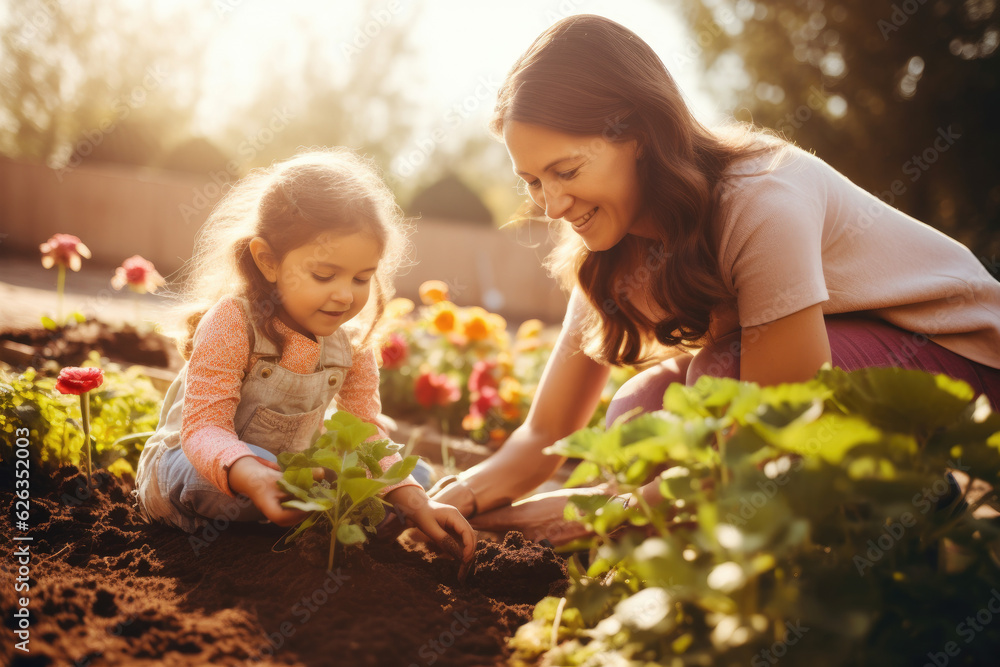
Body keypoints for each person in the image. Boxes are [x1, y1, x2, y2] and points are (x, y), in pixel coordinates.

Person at [429, 14, 1000, 545]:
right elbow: (544, 434)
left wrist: (598, 513)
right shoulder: (610, 246)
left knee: (716, 383)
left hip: (966, 365)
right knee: (641, 411)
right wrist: (460, 499)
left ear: (639, 136)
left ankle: (913, 512)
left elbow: (774, 437)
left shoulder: (761, 200)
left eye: (566, 171)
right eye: (531, 181)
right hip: (853, 368)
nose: (551, 204)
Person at [132, 149, 475, 563]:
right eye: (324, 275)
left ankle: (301, 518)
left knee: (413, 477)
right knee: (259, 470)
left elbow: (364, 431)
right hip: (192, 472)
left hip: (286, 474)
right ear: (268, 261)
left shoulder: (351, 344)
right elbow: (203, 429)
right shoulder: (233, 322)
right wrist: (250, 473)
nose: (346, 294)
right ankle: (300, 512)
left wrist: (417, 502)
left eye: (362, 278)